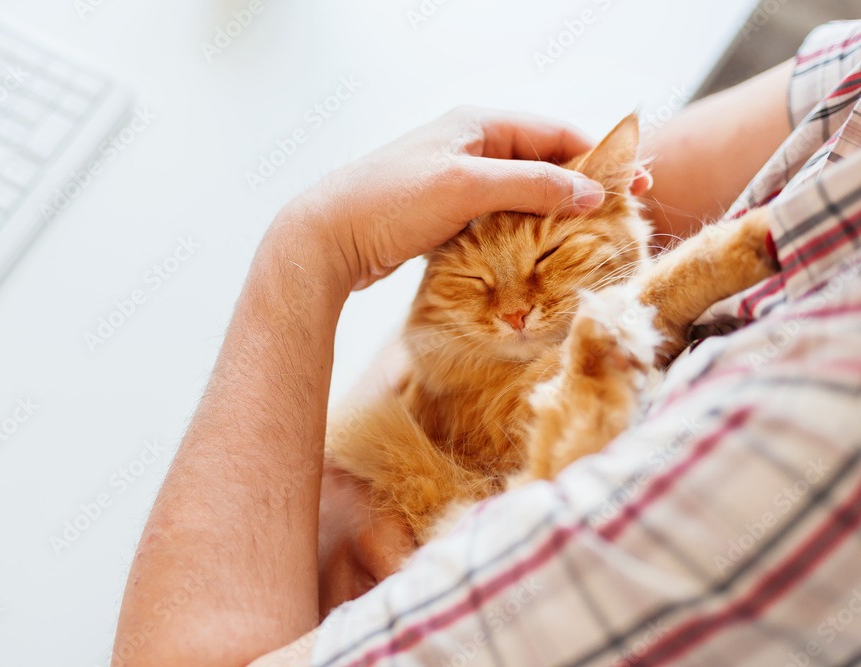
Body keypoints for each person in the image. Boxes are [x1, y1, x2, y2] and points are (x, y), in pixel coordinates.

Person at [113, 20, 861, 667]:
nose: (514, 310)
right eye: (482, 288)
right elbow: (593, 187)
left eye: (542, 269)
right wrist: (338, 476)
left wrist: (310, 249)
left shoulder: (812, 412)